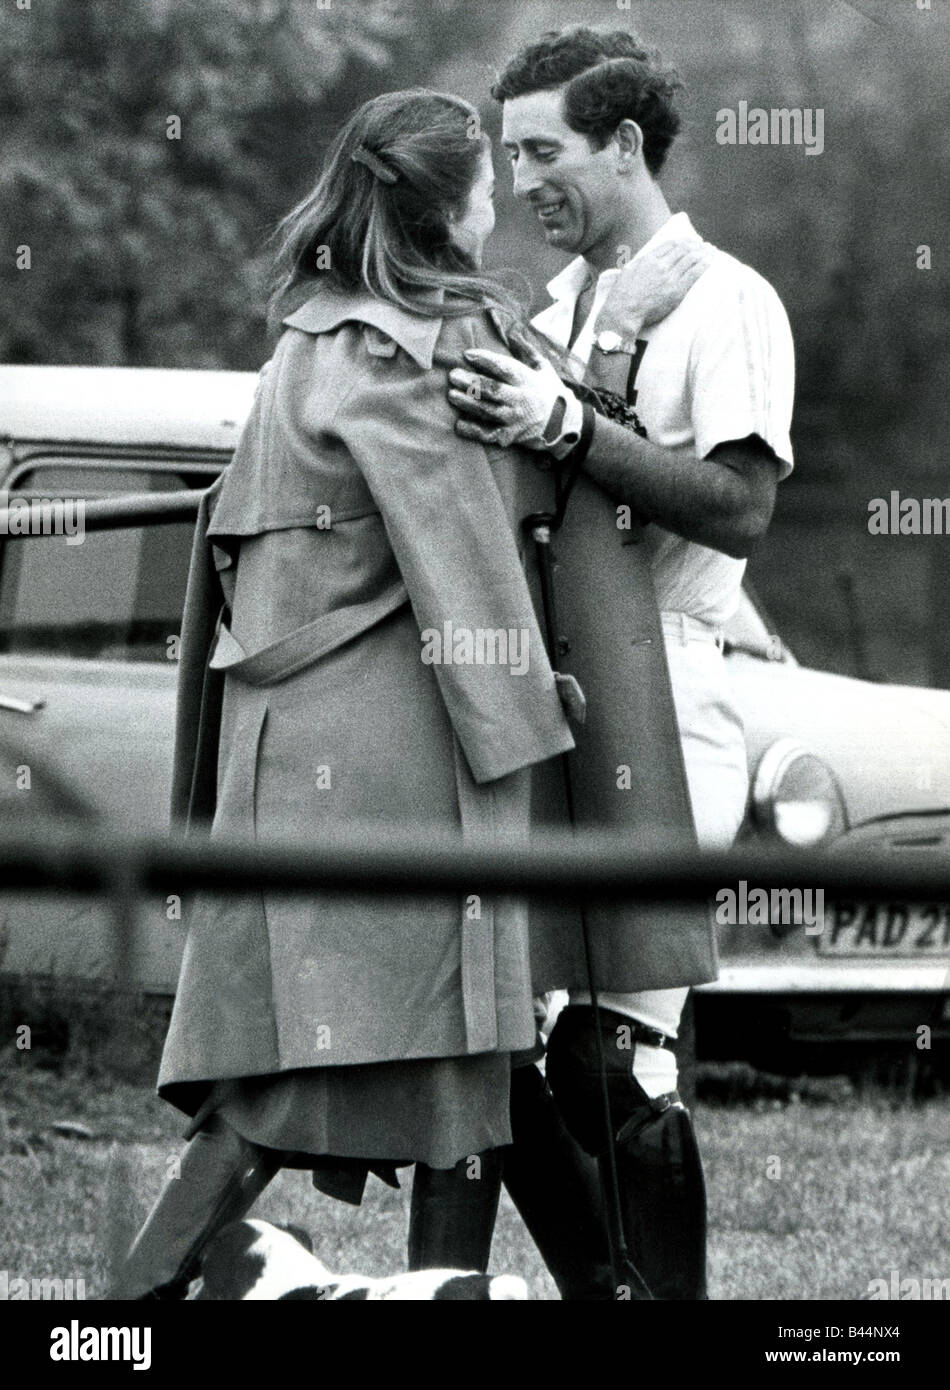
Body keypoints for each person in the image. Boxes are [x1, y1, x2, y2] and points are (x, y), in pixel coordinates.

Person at [108, 87, 589, 1301]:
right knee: (354, 1063)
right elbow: (460, 567)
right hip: (400, 758)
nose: (499, 202)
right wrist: (543, 710)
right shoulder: (405, 352)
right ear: (440, 205)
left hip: (292, 750)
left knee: (447, 1062)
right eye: (485, 180)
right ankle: (122, 1314)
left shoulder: (304, 341)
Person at [446, 26, 796, 1300]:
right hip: (562, 689)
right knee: (510, 1048)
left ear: (624, 146)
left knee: (615, 1053)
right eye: (507, 152)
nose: (523, 177)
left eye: (544, 150)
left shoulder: (725, 298)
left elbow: (740, 506)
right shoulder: (570, 303)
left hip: (668, 677)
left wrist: (571, 429)